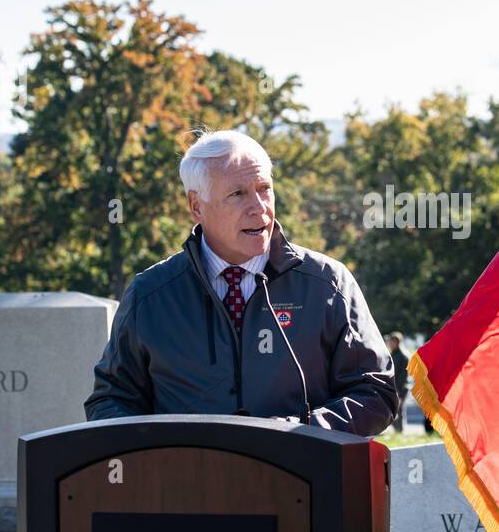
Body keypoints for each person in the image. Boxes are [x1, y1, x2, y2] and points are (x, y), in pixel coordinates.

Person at [84, 129, 399, 437]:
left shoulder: (328, 283)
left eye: (264, 188)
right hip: (185, 486)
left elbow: (375, 393)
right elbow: (112, 399)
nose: (260, 208)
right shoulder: (149, 295)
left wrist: (297, 433)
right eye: (238, 194)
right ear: (196, 206)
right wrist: (164, 454)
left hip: (307, 483)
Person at [386, 332, 411, 433]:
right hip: (392, 388)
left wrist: (398, 390)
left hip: (401, 388)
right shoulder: (391, 354)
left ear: (397, 342)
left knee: (399, 410)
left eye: (392, 342)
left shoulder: (403, 356)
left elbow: (403, 376)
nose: (390, 344)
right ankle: (397, 429)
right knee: (390, 410)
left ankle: (400, 431)